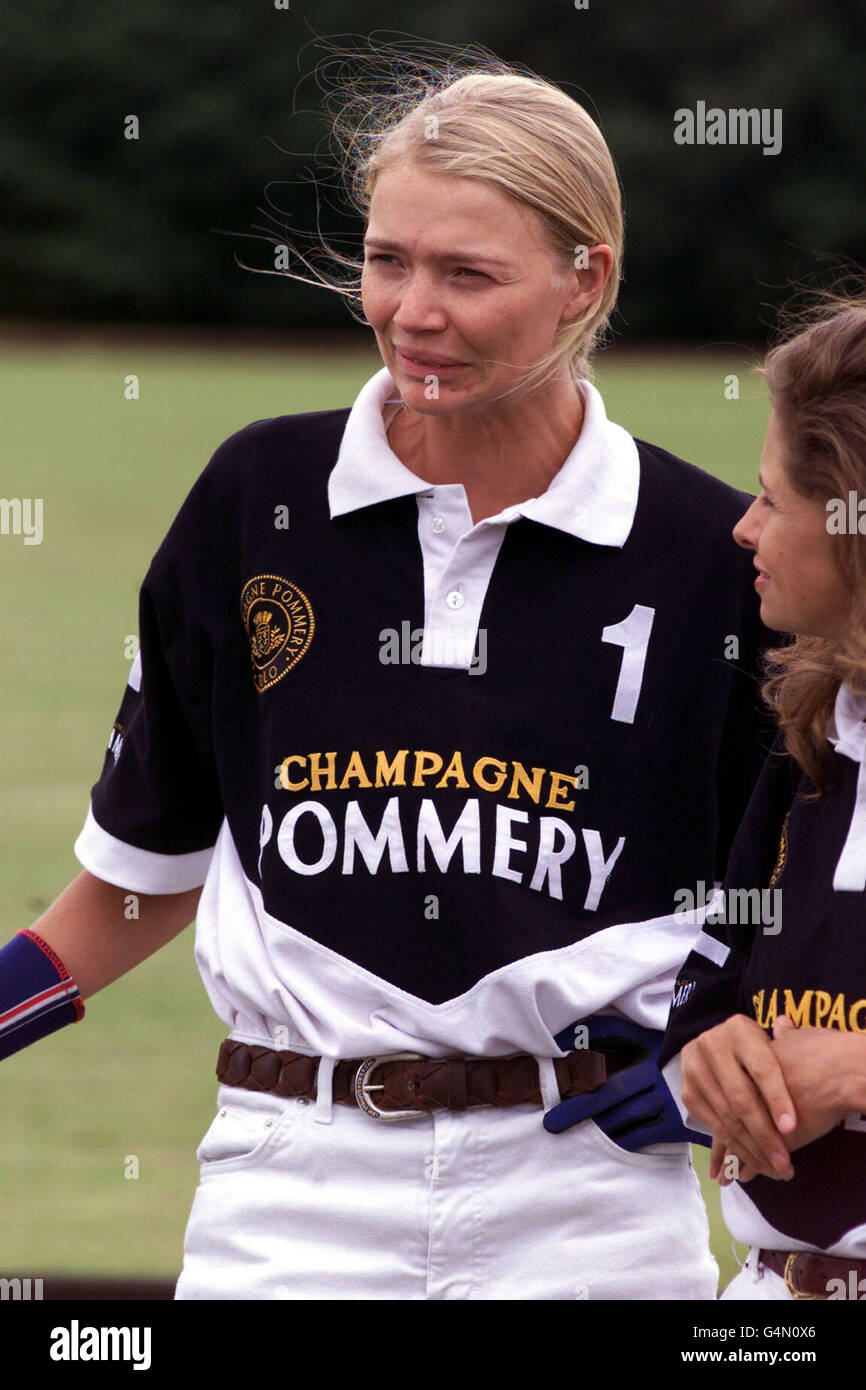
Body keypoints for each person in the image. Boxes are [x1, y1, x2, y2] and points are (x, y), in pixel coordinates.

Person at [1, 56, 773, 1300]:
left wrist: (729, 1050)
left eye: (466, 273)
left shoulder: (715, 552)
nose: (414, 310)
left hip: (583, 1199)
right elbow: (141, 883)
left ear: (589, 278)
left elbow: (793, 891)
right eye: (387, 261)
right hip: (287, 1185)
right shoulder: (255, 500)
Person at [659, 295, 866, 1301]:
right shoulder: (810, 741)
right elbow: (708, 976)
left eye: (770, 500)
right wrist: (707, 1048)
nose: (741, 527)